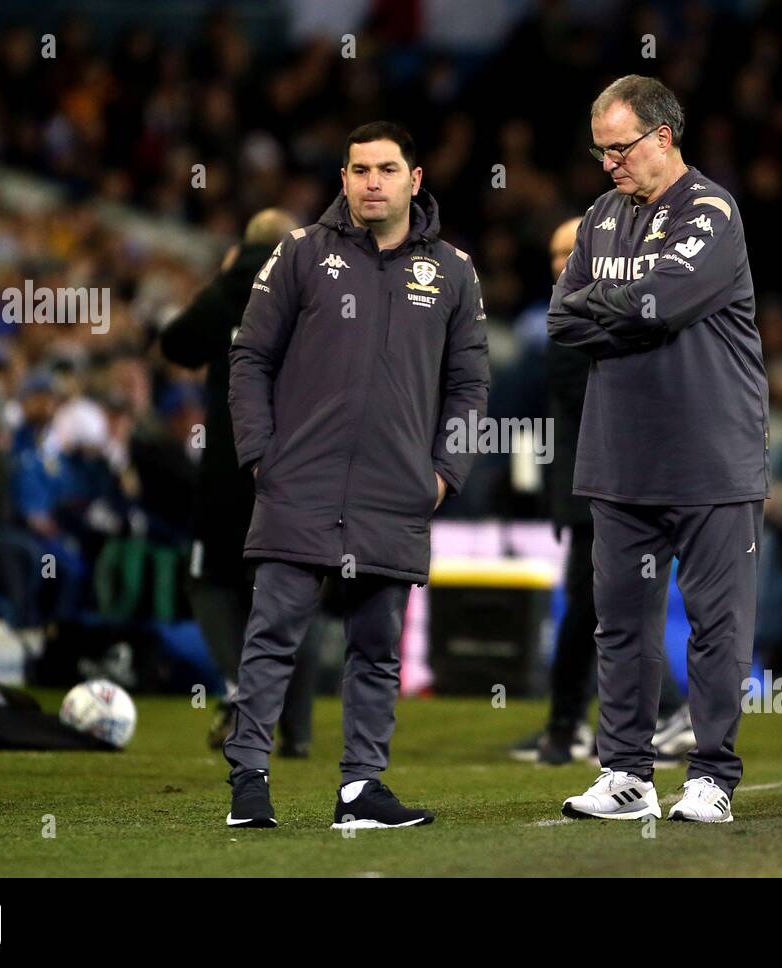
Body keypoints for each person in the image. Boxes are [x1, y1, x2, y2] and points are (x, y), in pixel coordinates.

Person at [223, 121, 489, 830]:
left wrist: (443, 473)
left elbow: (469, 387)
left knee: (377, 650)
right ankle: (249, 779)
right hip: (299, 482)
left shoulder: (455, 272)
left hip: (396, 490)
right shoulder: (302, 253)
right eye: (359, 169)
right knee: (274, 635)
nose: (373, 181)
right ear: (342, 179)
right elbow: (249, 357)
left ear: (415, 179)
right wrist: (261, 453)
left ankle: (360, 791)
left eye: (387, 169)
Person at [549, 76, 767, 823]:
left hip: (712, 459)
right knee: (621, 623)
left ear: (663, 138)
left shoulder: (712, 211)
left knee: (718, 625)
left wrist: (623, 310)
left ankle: (711, 777)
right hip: (620, 459)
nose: (608, 164)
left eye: (620, 149)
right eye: (600, 151)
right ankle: (627, 773)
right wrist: (634, 312)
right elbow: (560, 319)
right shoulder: (600, 220)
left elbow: (666, 301)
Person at [512, 215, 690, 766]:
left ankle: (584, 726)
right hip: (588, 489)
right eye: (553, 255)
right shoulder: (574, 316)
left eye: (570, 251)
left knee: (606, 608)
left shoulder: (586, 314)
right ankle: (581, 726)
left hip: (607, 486)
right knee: (601, 608)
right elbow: (576, 402)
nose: (560, 264)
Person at [160, 207, 324, 757]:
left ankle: (240, 690)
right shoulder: (316, 287)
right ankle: (298, 733)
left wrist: (225, 278)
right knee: (299, 594)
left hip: (227, 472)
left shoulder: (230, 291)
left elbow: (176, 344)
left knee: (212, 582)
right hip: (298, 471)